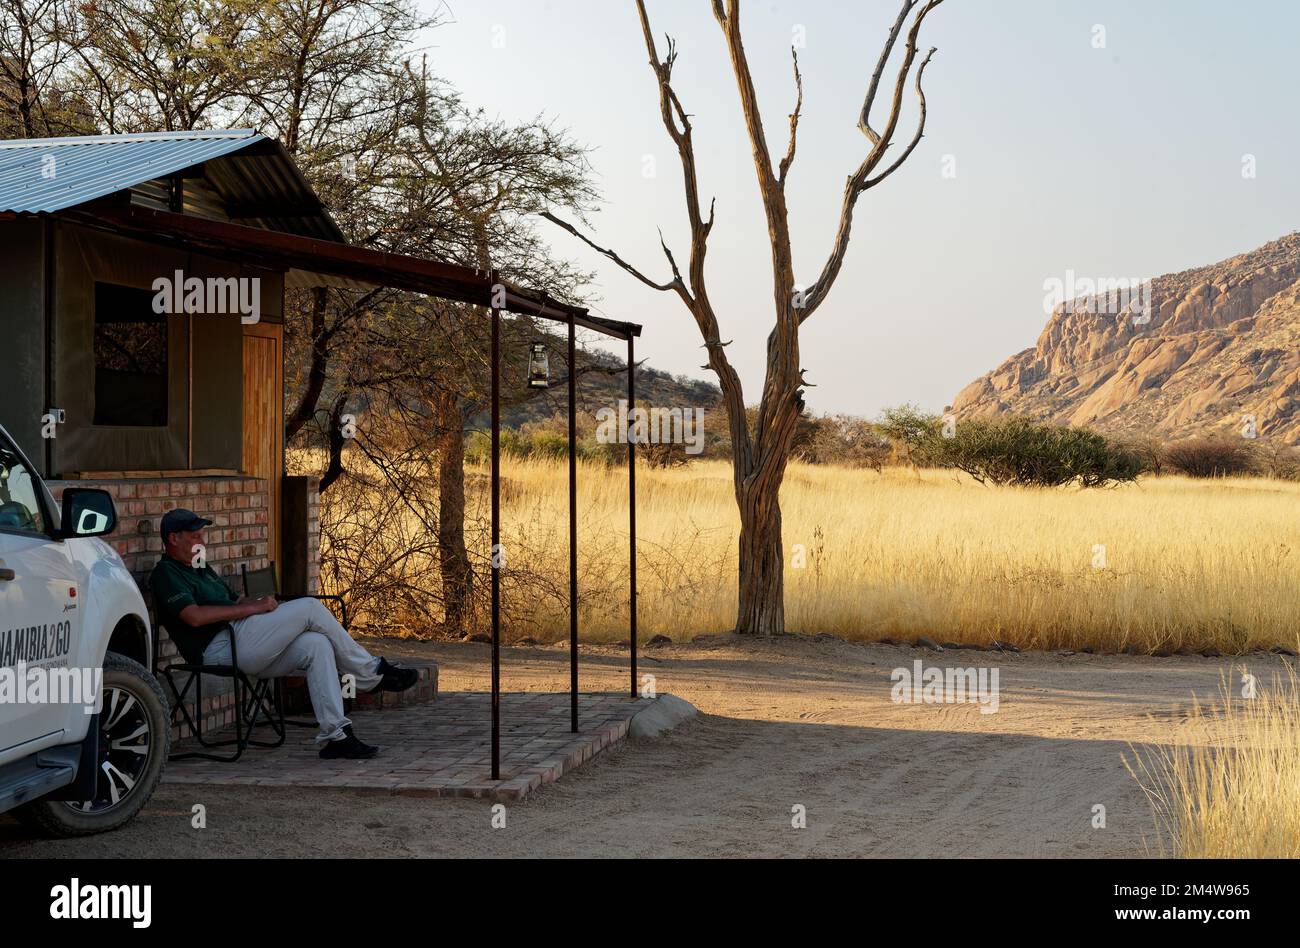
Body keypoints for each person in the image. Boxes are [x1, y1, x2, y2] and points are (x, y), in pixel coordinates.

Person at [149, 508, 417, 759]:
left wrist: (262, 605)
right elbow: (193, 617)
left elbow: (234, 601)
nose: (202, 543)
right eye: (195, 536)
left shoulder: (199, 566)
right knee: (311, 607)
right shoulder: (165, 573)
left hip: (244, 640)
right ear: (173, 538)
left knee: (317, 644)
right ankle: (369, 674)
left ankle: (336, 736)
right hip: (219, 648)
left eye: (202, 536)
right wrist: (254, 608)